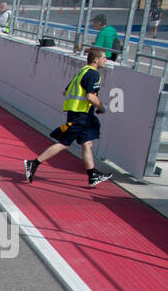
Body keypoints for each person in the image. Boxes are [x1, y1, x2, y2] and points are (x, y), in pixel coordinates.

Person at [24, 47, 113, 188]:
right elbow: (90, 97)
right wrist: (102, 107)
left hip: (79, 113)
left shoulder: (81, 72)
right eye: (104, 58)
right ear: (96, 59)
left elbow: (65, 92)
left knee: (87, 143)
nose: (106, 60)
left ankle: (92, 175)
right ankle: (33, 163)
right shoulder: (93, 74)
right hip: (80, 115)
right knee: (64, 143)